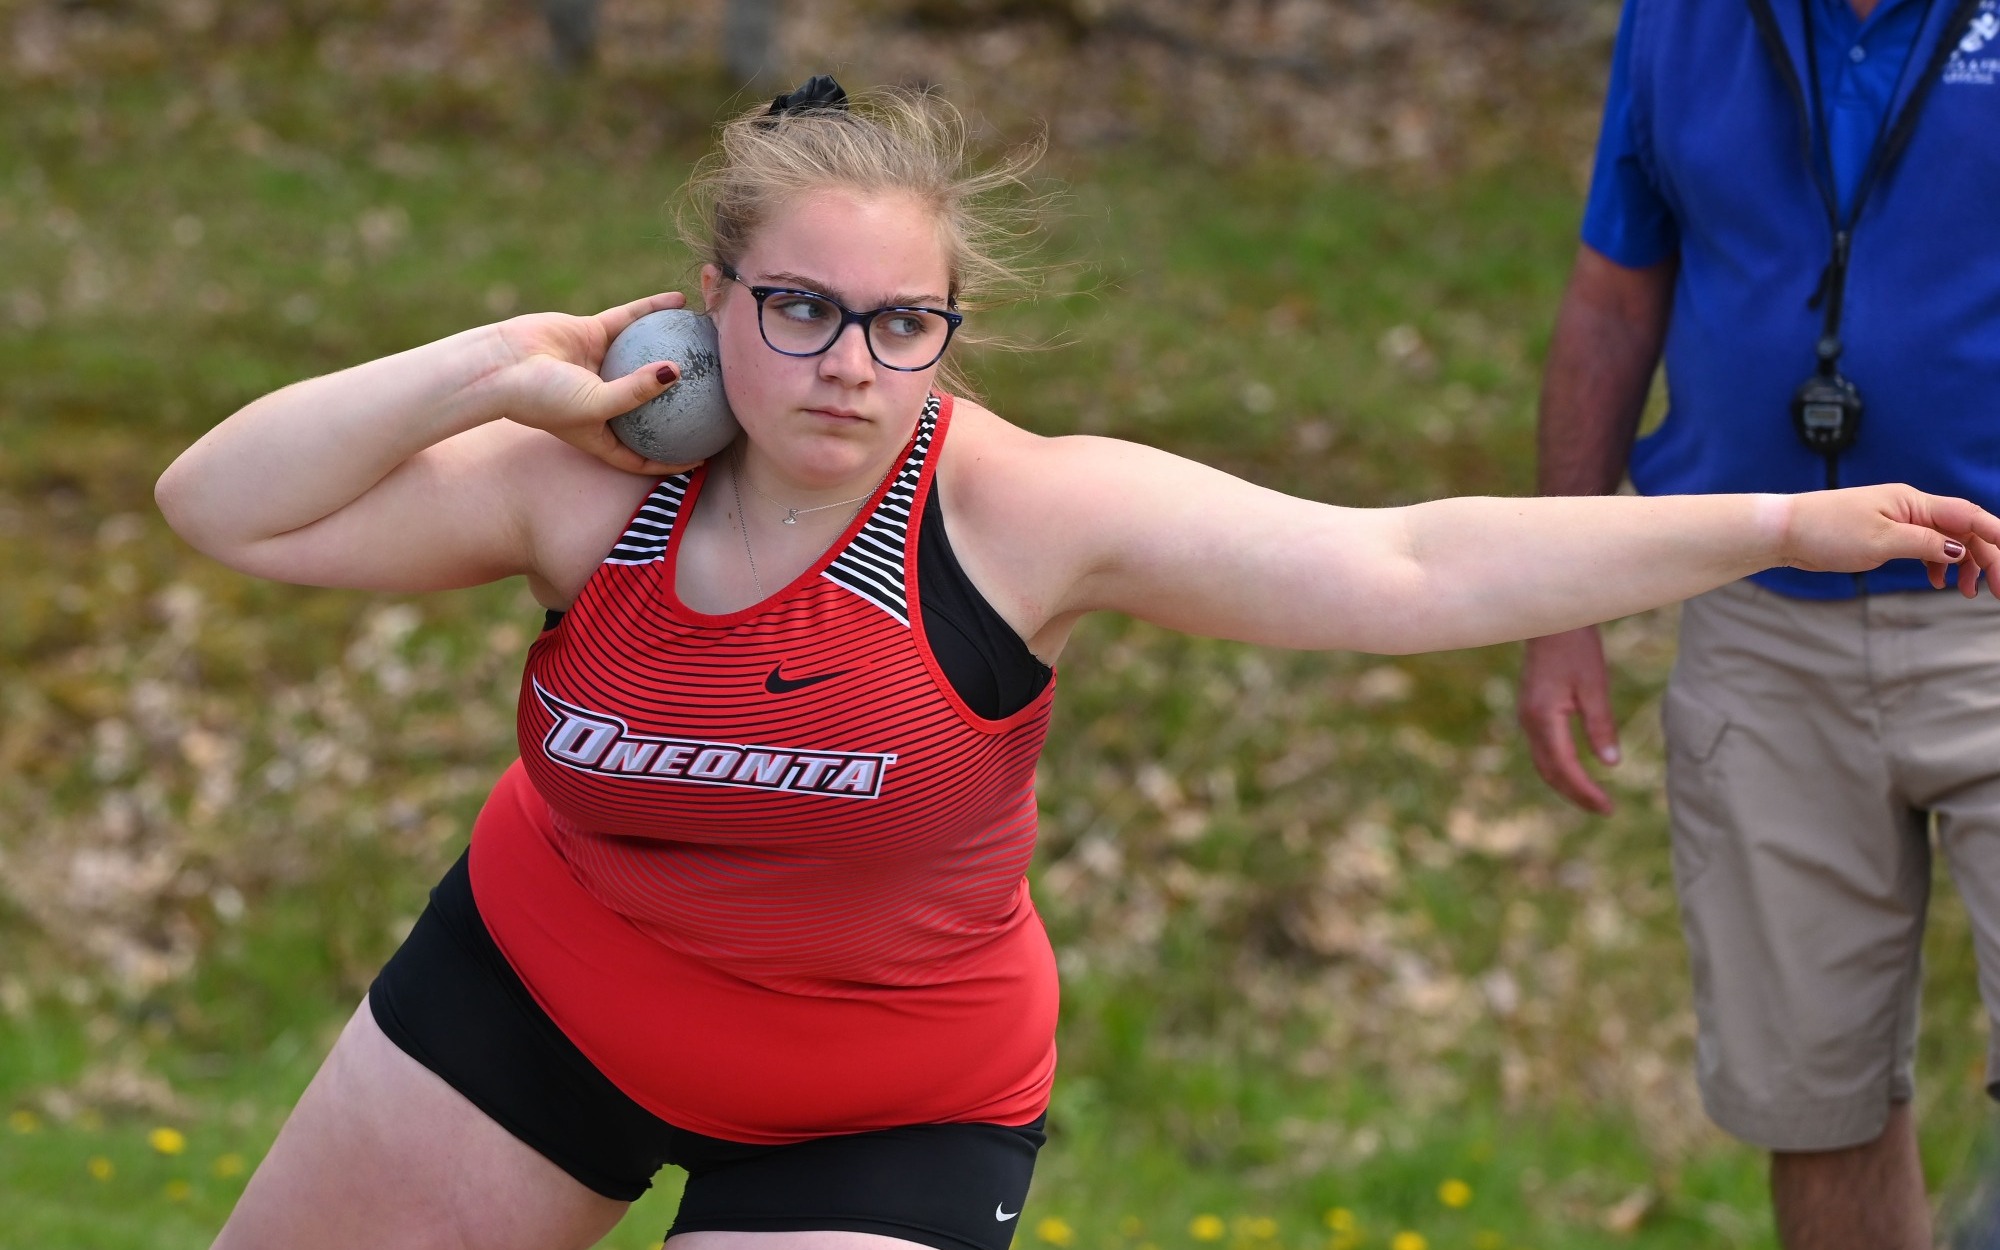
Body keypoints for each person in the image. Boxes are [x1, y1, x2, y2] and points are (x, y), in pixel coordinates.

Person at [155, 79, 1999, 1250]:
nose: (849, 366)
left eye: (901, 322)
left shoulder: (1026, 515)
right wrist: (499, 358)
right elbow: (224, 506)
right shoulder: (584, 491)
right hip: (532, 1003)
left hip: (875, 1105)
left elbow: (1410, 558)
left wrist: (1768, 524)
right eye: (798, 309)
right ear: (705, 304)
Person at [1514, 0, 2000, 1245]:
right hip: (1756, 624)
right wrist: (1557, 602)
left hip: (1992, 605)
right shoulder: (1676, 18)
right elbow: (1614, 297)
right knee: (1812, 1100)